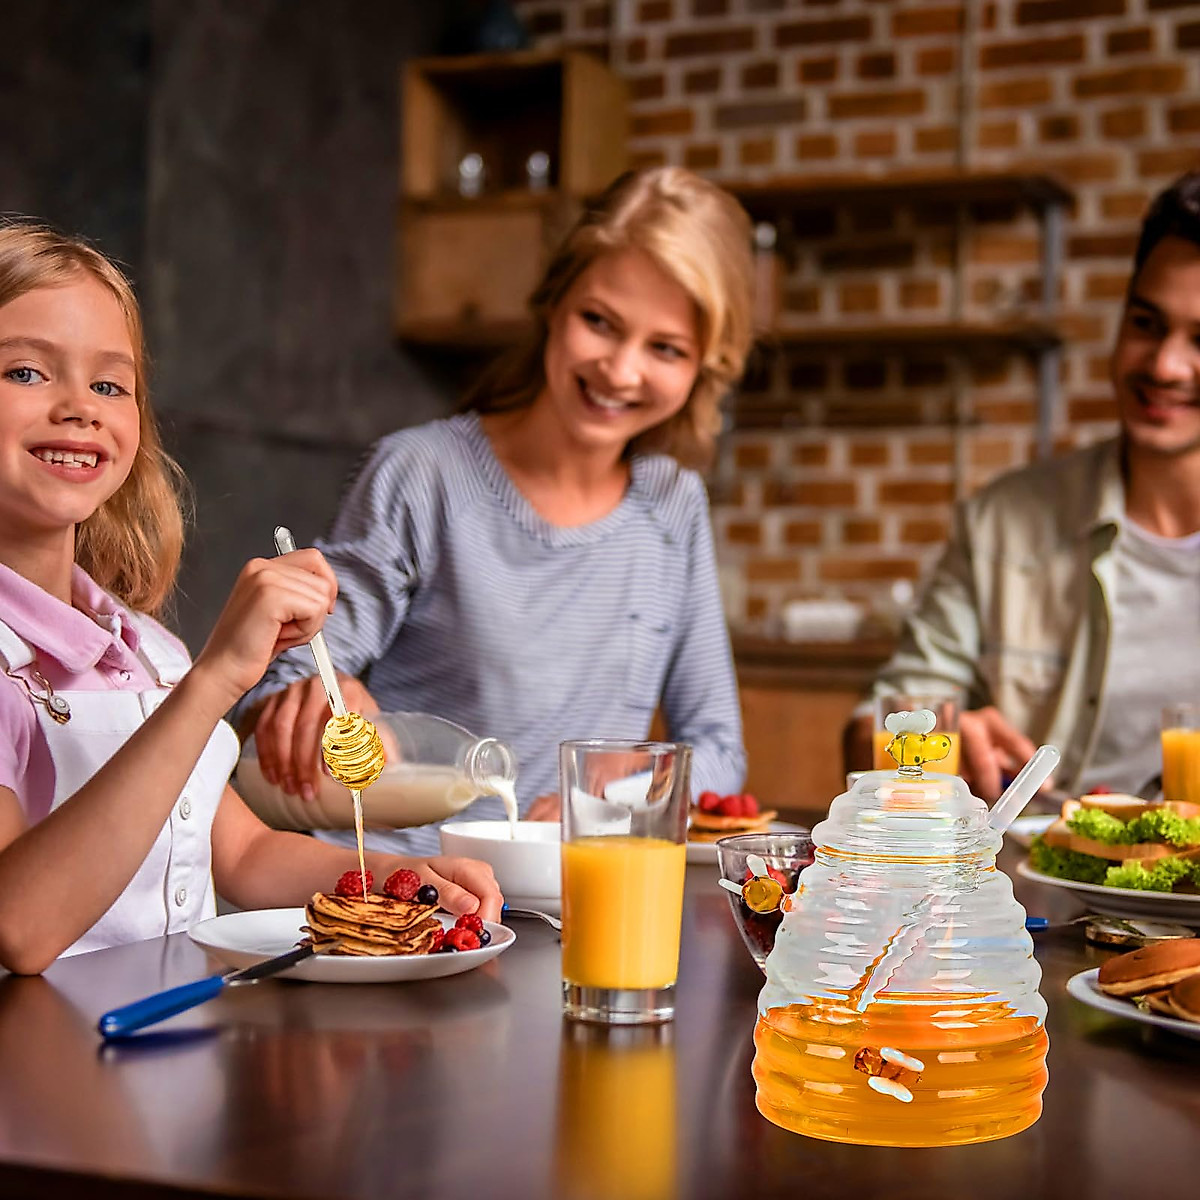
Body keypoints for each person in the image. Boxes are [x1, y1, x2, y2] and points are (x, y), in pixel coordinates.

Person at [0, 222, 501, 975]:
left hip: (170, 1066)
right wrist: (212, 683)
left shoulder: (147, 652)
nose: (81, 406)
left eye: (110, 384)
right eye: (27, 373)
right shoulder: (162, 674)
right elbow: (19, 927)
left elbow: (243, 853)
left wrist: (402, 887)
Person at [239, 167, 754, 856]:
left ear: (704, 367)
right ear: (553, 305)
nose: (621, 370)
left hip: (565, 903)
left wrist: (616, 798)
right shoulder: (423, 474)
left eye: (665, 348)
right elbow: (287, 680)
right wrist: (325, 702)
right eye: (599, 322)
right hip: (409, 905)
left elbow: (718, 754)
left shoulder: (672, 504)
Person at [847, 171, 1200, 802]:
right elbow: (873, 724)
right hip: (1036, 895)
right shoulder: (1002, 522)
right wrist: (936, 740)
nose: (1165, 366)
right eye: (1147, 323)